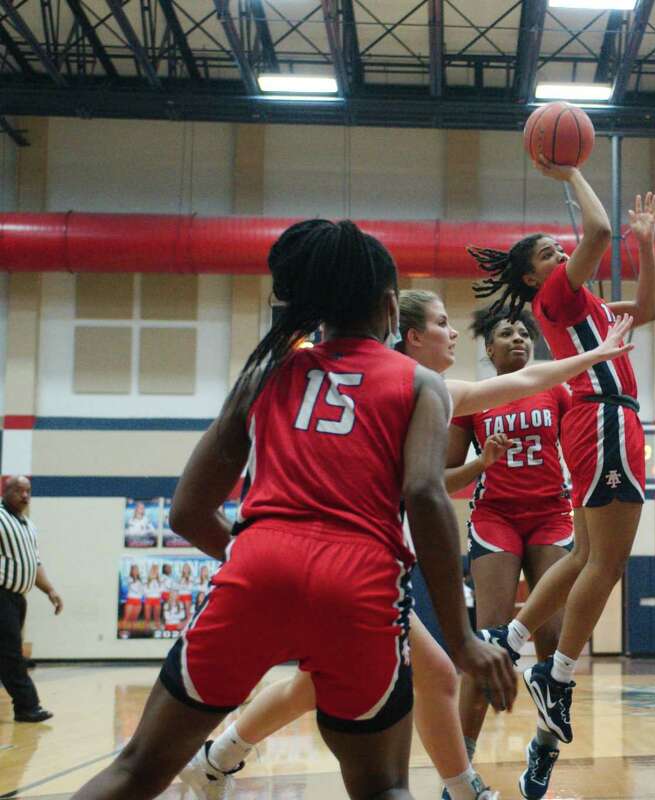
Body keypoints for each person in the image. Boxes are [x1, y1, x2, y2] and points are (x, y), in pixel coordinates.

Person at [72, 219, 517, 800]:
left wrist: (259, 563)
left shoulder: (265, 372)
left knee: (135, 772)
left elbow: (187, 511)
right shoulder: (419, 383)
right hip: (360, 584)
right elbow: (426, 495)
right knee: (383, 787)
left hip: (256, 566)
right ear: (389, 307)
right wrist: (461, 638)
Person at [179, 287, 635, 800]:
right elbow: (425, 490)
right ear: (412, 334)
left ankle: (216, 758)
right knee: (420, 685)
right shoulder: (412, 389)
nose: (456, 331)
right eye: (443, 322)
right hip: (352, 564)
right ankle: (462, 789)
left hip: (315, 562)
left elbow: (525, 381)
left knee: (364, 680)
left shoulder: (412, 387)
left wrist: (596, 355)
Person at [470, 158, 655, 776]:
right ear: (533, 276)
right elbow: (599, 231)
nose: (562, 255)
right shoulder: (556, 298)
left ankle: (516, 641)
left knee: (584, 557)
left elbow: (650, 307)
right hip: (603, 418)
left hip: (609, 421)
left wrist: (649, 245)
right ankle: (558, 675)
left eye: (560, 250)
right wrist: (573, 173)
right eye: (550, 252)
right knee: (607, 562)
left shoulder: (590, 306)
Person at [450, 308, 575, 799]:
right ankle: (459, 770)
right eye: (508, 333)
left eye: (525, 332)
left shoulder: (556, 389)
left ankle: (544, 746)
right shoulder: (473, 400)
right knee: (490, 645)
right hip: (496, 517)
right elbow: (444, 475)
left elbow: (581, 454)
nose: (520, 338)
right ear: (490, 350)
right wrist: (483, 461)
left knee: (555, 638)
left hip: (551, 513)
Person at [0, 476, 62, 724]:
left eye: (28, 491)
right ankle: (27, 706)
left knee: (7, 653)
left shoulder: (27, 524)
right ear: (6, 491)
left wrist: (50, 591)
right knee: (11, 653)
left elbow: (34, 564)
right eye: (19, 490)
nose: (25, 496)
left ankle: (26, 706)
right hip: (1, 596)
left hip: (17, 599)